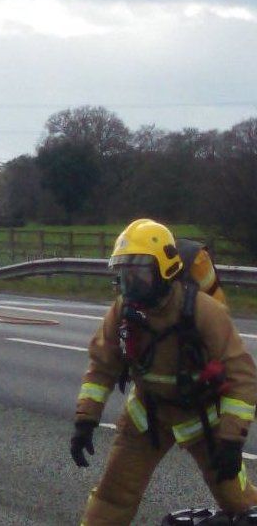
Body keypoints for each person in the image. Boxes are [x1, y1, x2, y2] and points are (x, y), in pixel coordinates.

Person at [71, 219, 257, 525]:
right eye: (124, 275)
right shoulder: (123, 311)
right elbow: (102, 366)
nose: (131, 284)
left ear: (165, 270)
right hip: (147, 420)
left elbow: (243, 378)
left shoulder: (204, 312)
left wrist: (231, 441)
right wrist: (85, 420)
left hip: (202, 422)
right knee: (112, 498)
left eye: (139, 273)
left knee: (239, 503)